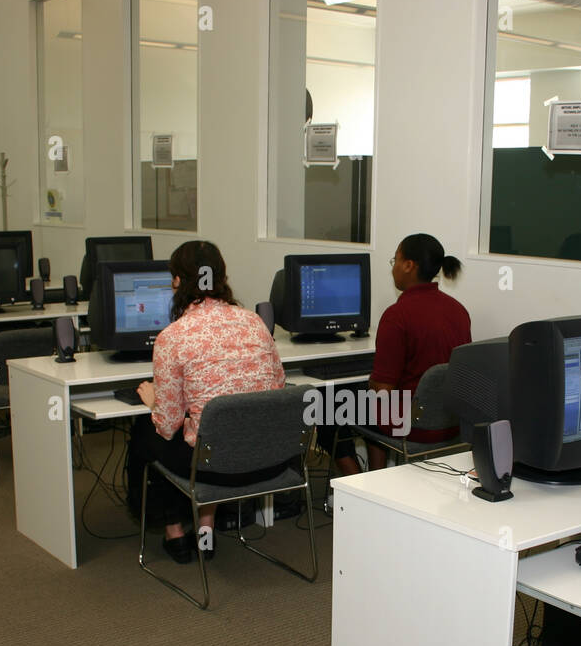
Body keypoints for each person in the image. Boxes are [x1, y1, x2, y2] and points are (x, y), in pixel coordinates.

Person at [127, 240, 286, 564]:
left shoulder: (172, 337)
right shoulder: (255, 322)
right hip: (268, 459)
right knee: (211, 427)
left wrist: (156, 401)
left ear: (176, 282)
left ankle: (175, 534)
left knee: (149, 431)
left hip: (216, 468)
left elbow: (169, 424)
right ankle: (206, 530)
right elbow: (278, 391)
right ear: (222, 278)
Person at [321, 233, 472, 477]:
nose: (393, 270)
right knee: (364, 399)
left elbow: (382, 390)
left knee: (325, 402)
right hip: (450, 422)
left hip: (412, 423)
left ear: (409, 265)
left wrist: (364, 383)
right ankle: (378, 477)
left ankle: (361, 484)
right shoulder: (458, 310)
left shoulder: (397, 315)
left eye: (395, 261)